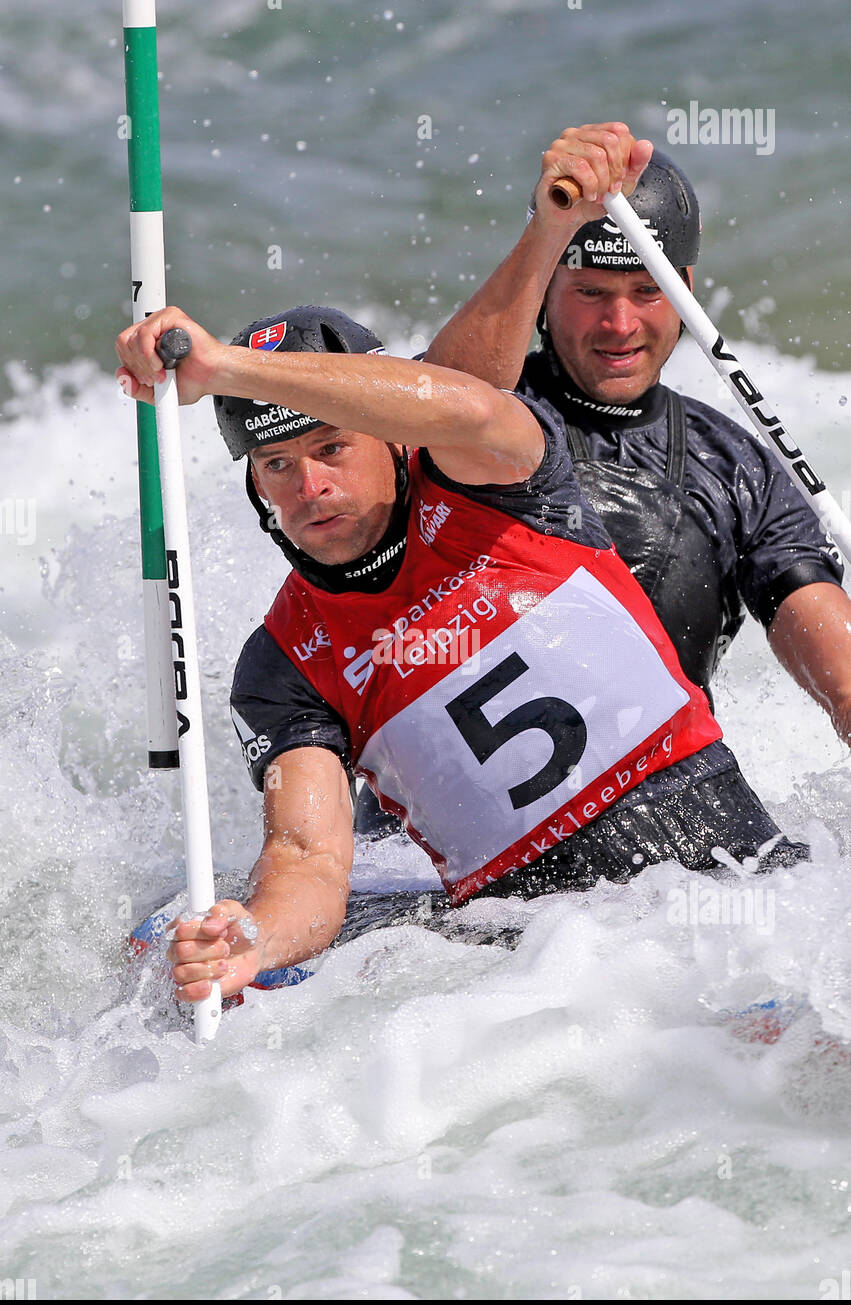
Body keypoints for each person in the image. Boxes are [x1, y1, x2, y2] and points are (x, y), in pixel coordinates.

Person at [115, 301, 812, 1006]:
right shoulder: (284, 661)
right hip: (539, 946)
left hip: (723, 863)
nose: (310, 488)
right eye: (276, 464)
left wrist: (227, 368)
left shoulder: (497, 483)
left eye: (331, 449)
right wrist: (254, 938)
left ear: (390, 440)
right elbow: (308, 858)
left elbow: (467, 409)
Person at [421, 121, 851, 737]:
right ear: (545, 289)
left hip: (661, 808)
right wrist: (549, 230)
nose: (620, 323)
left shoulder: (737, 469)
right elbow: (436, 410)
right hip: (441, 827)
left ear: (686, 291)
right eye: (592, 292)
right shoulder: (489, 402)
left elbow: (842, 679)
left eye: (648, 291)